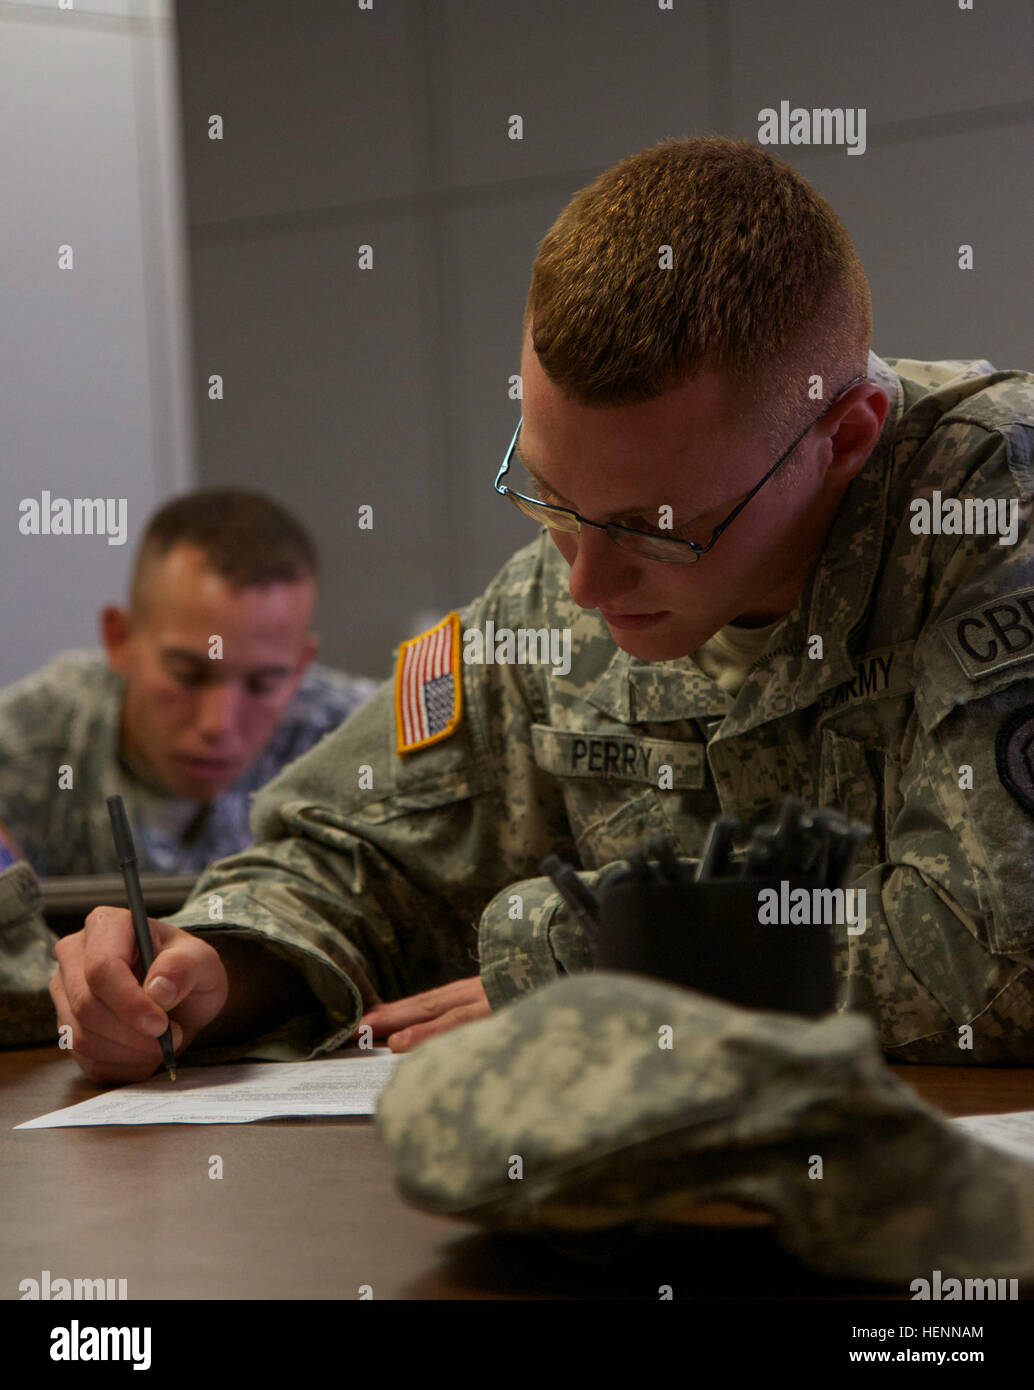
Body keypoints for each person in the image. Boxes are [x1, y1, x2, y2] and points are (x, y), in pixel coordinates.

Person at [48, 136, 1034, 1086]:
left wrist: (593, 962)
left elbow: (996, 960)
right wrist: (211, 970)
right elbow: (357, 858)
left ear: (845, 438)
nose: (586, 587)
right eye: (550, 497)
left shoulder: (993, 518)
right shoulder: (551, 604)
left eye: (657, 529)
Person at [0, 489, 377, 877]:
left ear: (301, 666)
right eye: (188, 675)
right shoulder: (24, 750)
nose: (218, 725)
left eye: (263, 683)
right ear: (121, 638)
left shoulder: (362, 742)